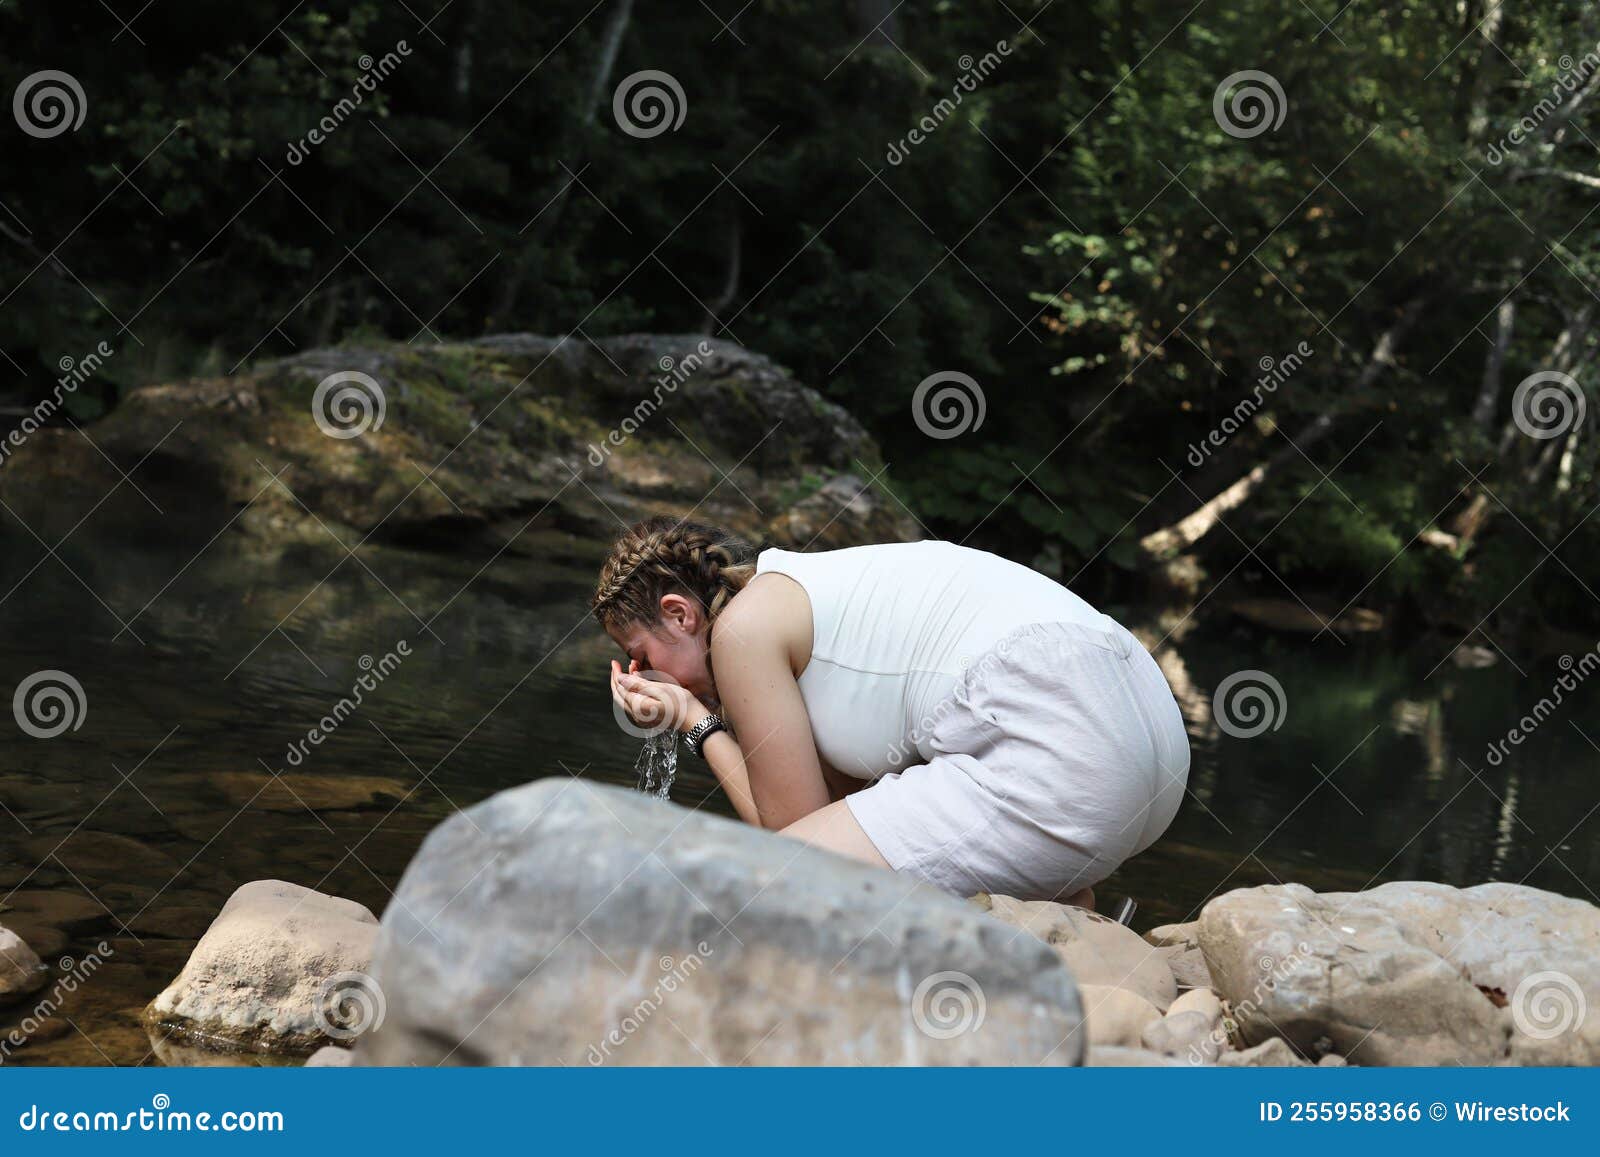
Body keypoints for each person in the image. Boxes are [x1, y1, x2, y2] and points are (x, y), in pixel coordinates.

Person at [594, 515, 1189, 908]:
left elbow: (788, 841)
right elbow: (846, 812)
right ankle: (1066, 913)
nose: (642, 678)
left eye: (640, 657)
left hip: (1059, 733)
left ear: (680, 614)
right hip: (1149, 729)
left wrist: (695, 720)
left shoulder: (743, 632)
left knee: (776, 885)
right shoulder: (811, 592)